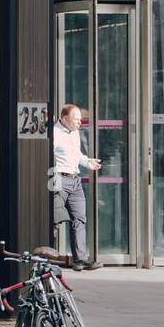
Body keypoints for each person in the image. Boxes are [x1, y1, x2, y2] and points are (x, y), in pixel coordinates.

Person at [54, 104, 102, 270]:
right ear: (65, 119)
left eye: (80, 119)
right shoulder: (54, 133)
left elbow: (77, 155)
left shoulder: (75, 133)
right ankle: (47, 258)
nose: (80, 122)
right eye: (76, 119)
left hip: (75, 181)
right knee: (54, 220)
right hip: (59, 179)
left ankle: (79, 260)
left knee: (79, 219)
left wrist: (87, 162)